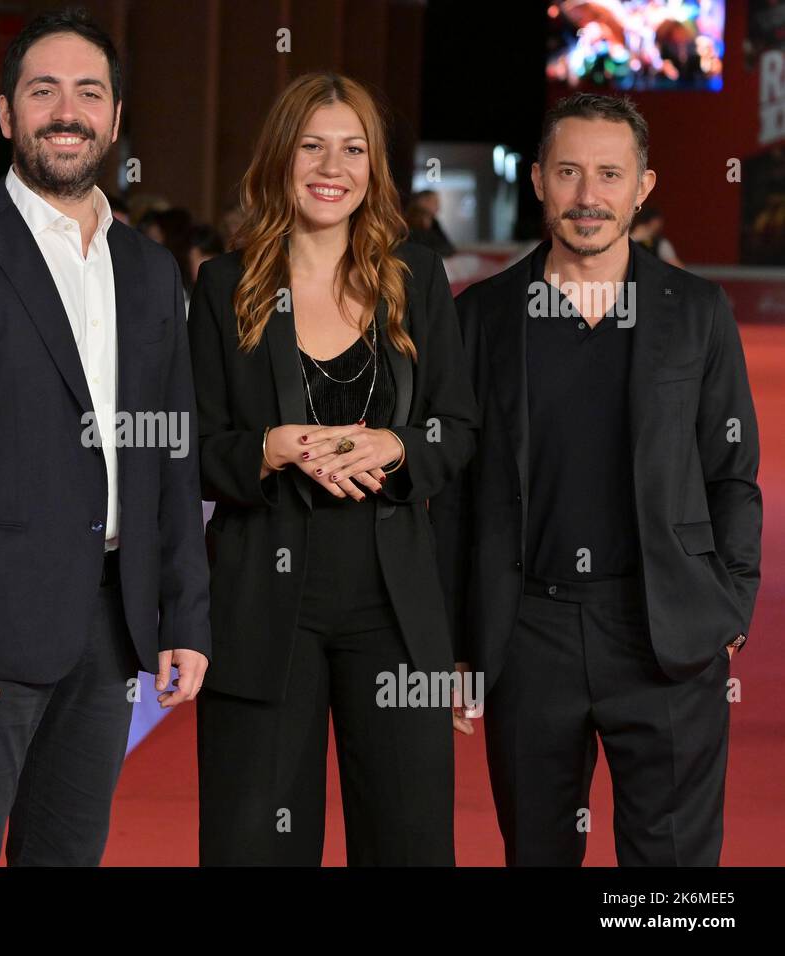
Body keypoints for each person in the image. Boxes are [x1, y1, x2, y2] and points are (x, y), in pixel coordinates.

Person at [0, 8, 210, 867]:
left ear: (115, 117)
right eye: (44, 90)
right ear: (5, 114)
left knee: (66, 854)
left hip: (109, 623)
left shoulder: (147, 271)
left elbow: (171, 455)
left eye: (88, 92)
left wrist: (186, 615)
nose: (67, 111)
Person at [432, 93, 761, 866]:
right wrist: (453, 639)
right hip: (529, 634)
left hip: (666, 629)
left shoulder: (697, 311)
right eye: (570, 172)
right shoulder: (482, 317)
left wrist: (730, 601)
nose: (589, 196)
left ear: (643, 186)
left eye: (610, 174)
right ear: (539, 180)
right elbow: (453, 488)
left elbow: (732, 469)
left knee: (671, 871)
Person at [188, 72, 479, 866]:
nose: (332, 165)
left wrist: (399, 446)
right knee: (255, 844)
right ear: (282, 157)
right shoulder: (225, 286)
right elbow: (193, 447)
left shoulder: (416, 278)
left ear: (374, 166)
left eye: (353, 148)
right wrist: (266, 448)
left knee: (409, 840)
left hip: (394, 605)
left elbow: (459, 431)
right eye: (313, 145)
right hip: (260, 599)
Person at [405, 189, 456, 258]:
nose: (438, 206)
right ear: (422, 202)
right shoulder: (409, 224)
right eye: (435, 202)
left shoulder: (434, 223)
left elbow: (449, 248)